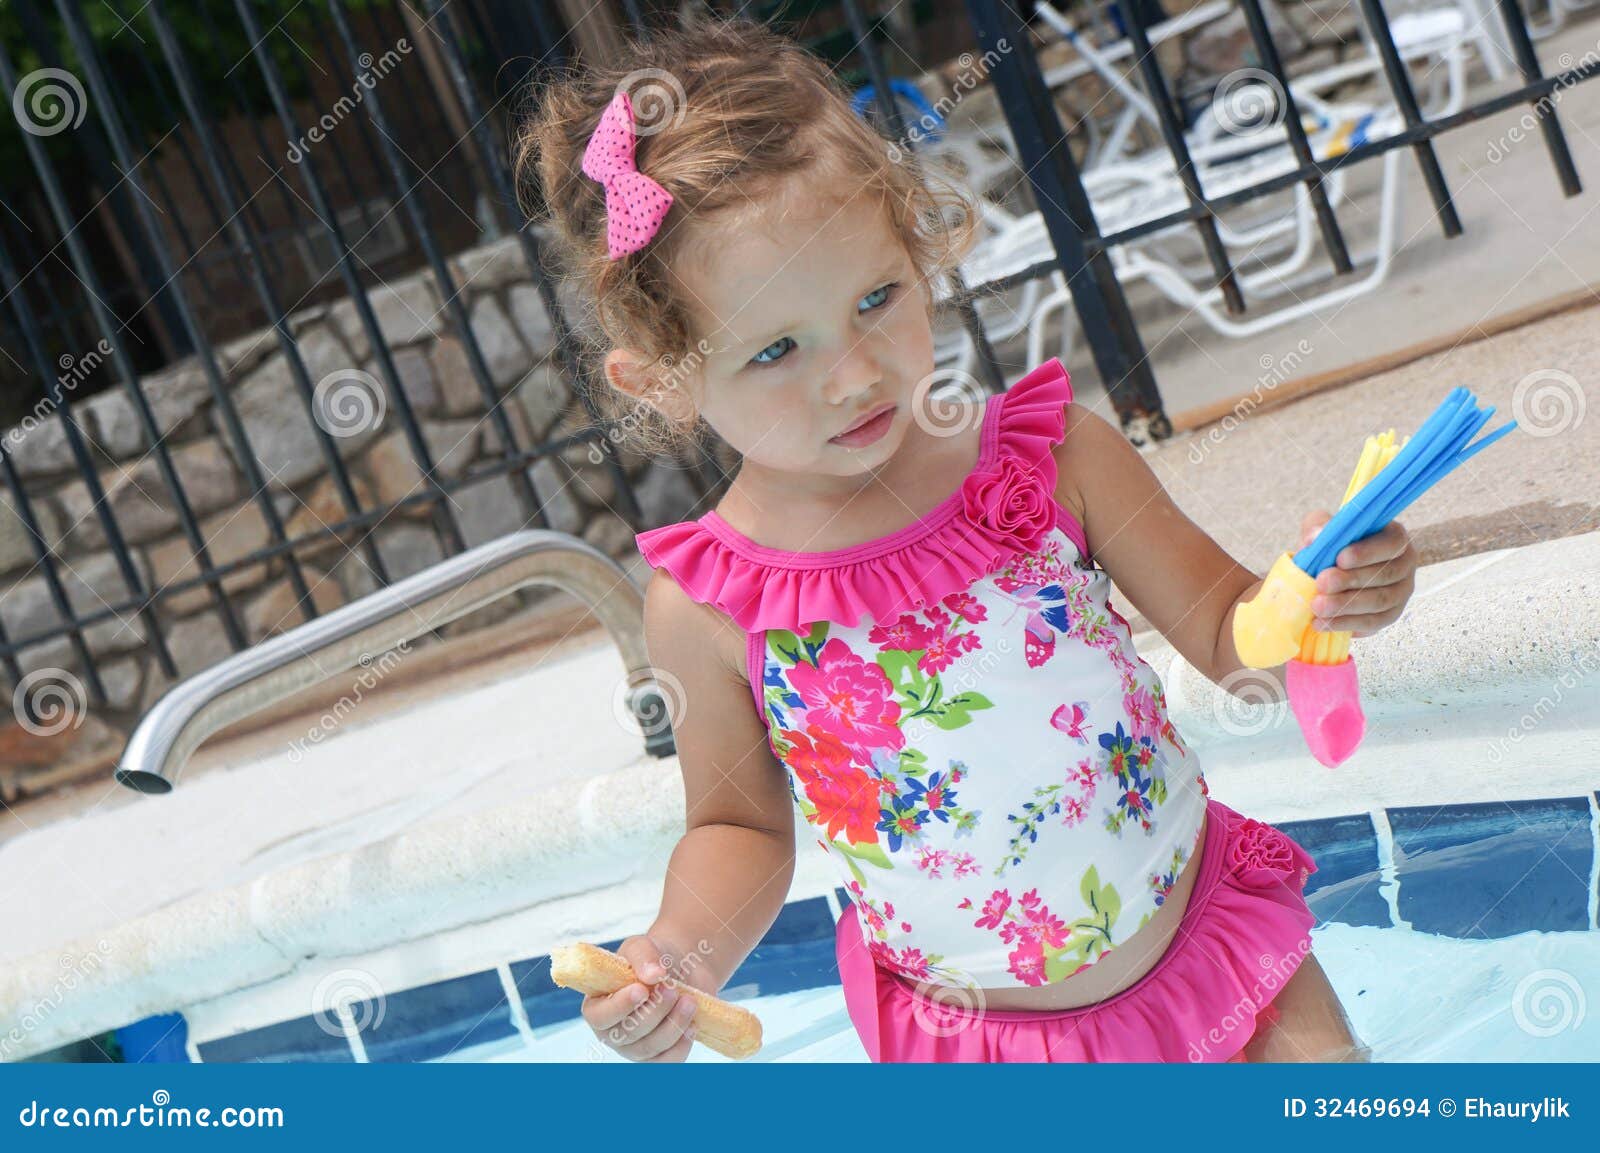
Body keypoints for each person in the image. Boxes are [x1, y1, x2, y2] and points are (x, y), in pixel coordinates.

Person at [518, 14, 1410, 1063]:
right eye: (774, 350)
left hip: (1214, 953)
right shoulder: (711, 605)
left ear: (922, 244)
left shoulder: (1049, 460)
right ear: (662, 382)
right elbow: (739, 830)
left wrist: (1325, 593)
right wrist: (680, 954)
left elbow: (1225, 623)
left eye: (876, 298)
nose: (851, 373)